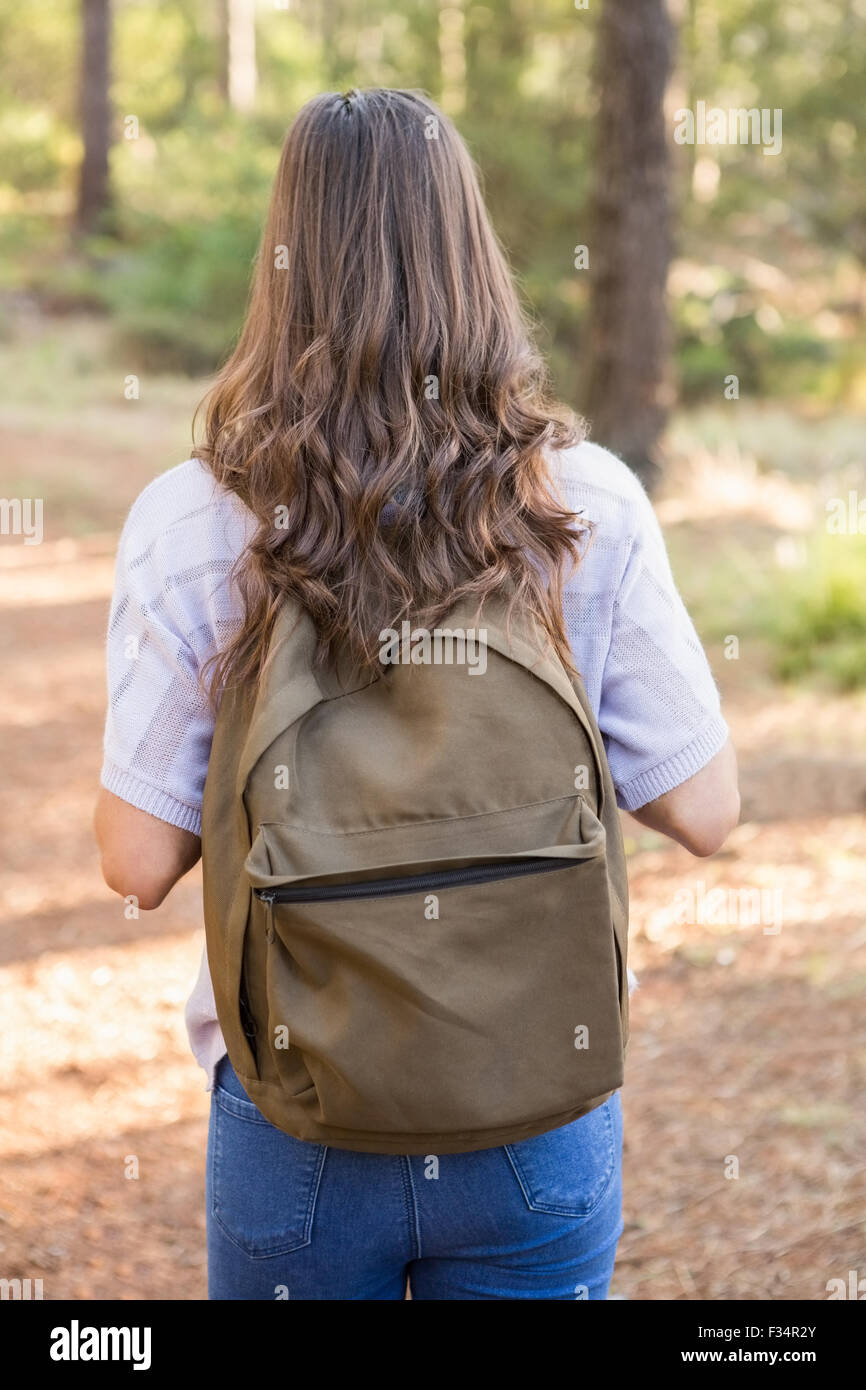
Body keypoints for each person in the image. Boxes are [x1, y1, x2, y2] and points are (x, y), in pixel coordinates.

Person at [94, 88, 739, 1301]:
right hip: (532, 1111)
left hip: (298, 1120)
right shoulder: (579, 500)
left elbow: (136, 859)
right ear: (471, 251)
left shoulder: (192, 517)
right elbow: (704, 811)